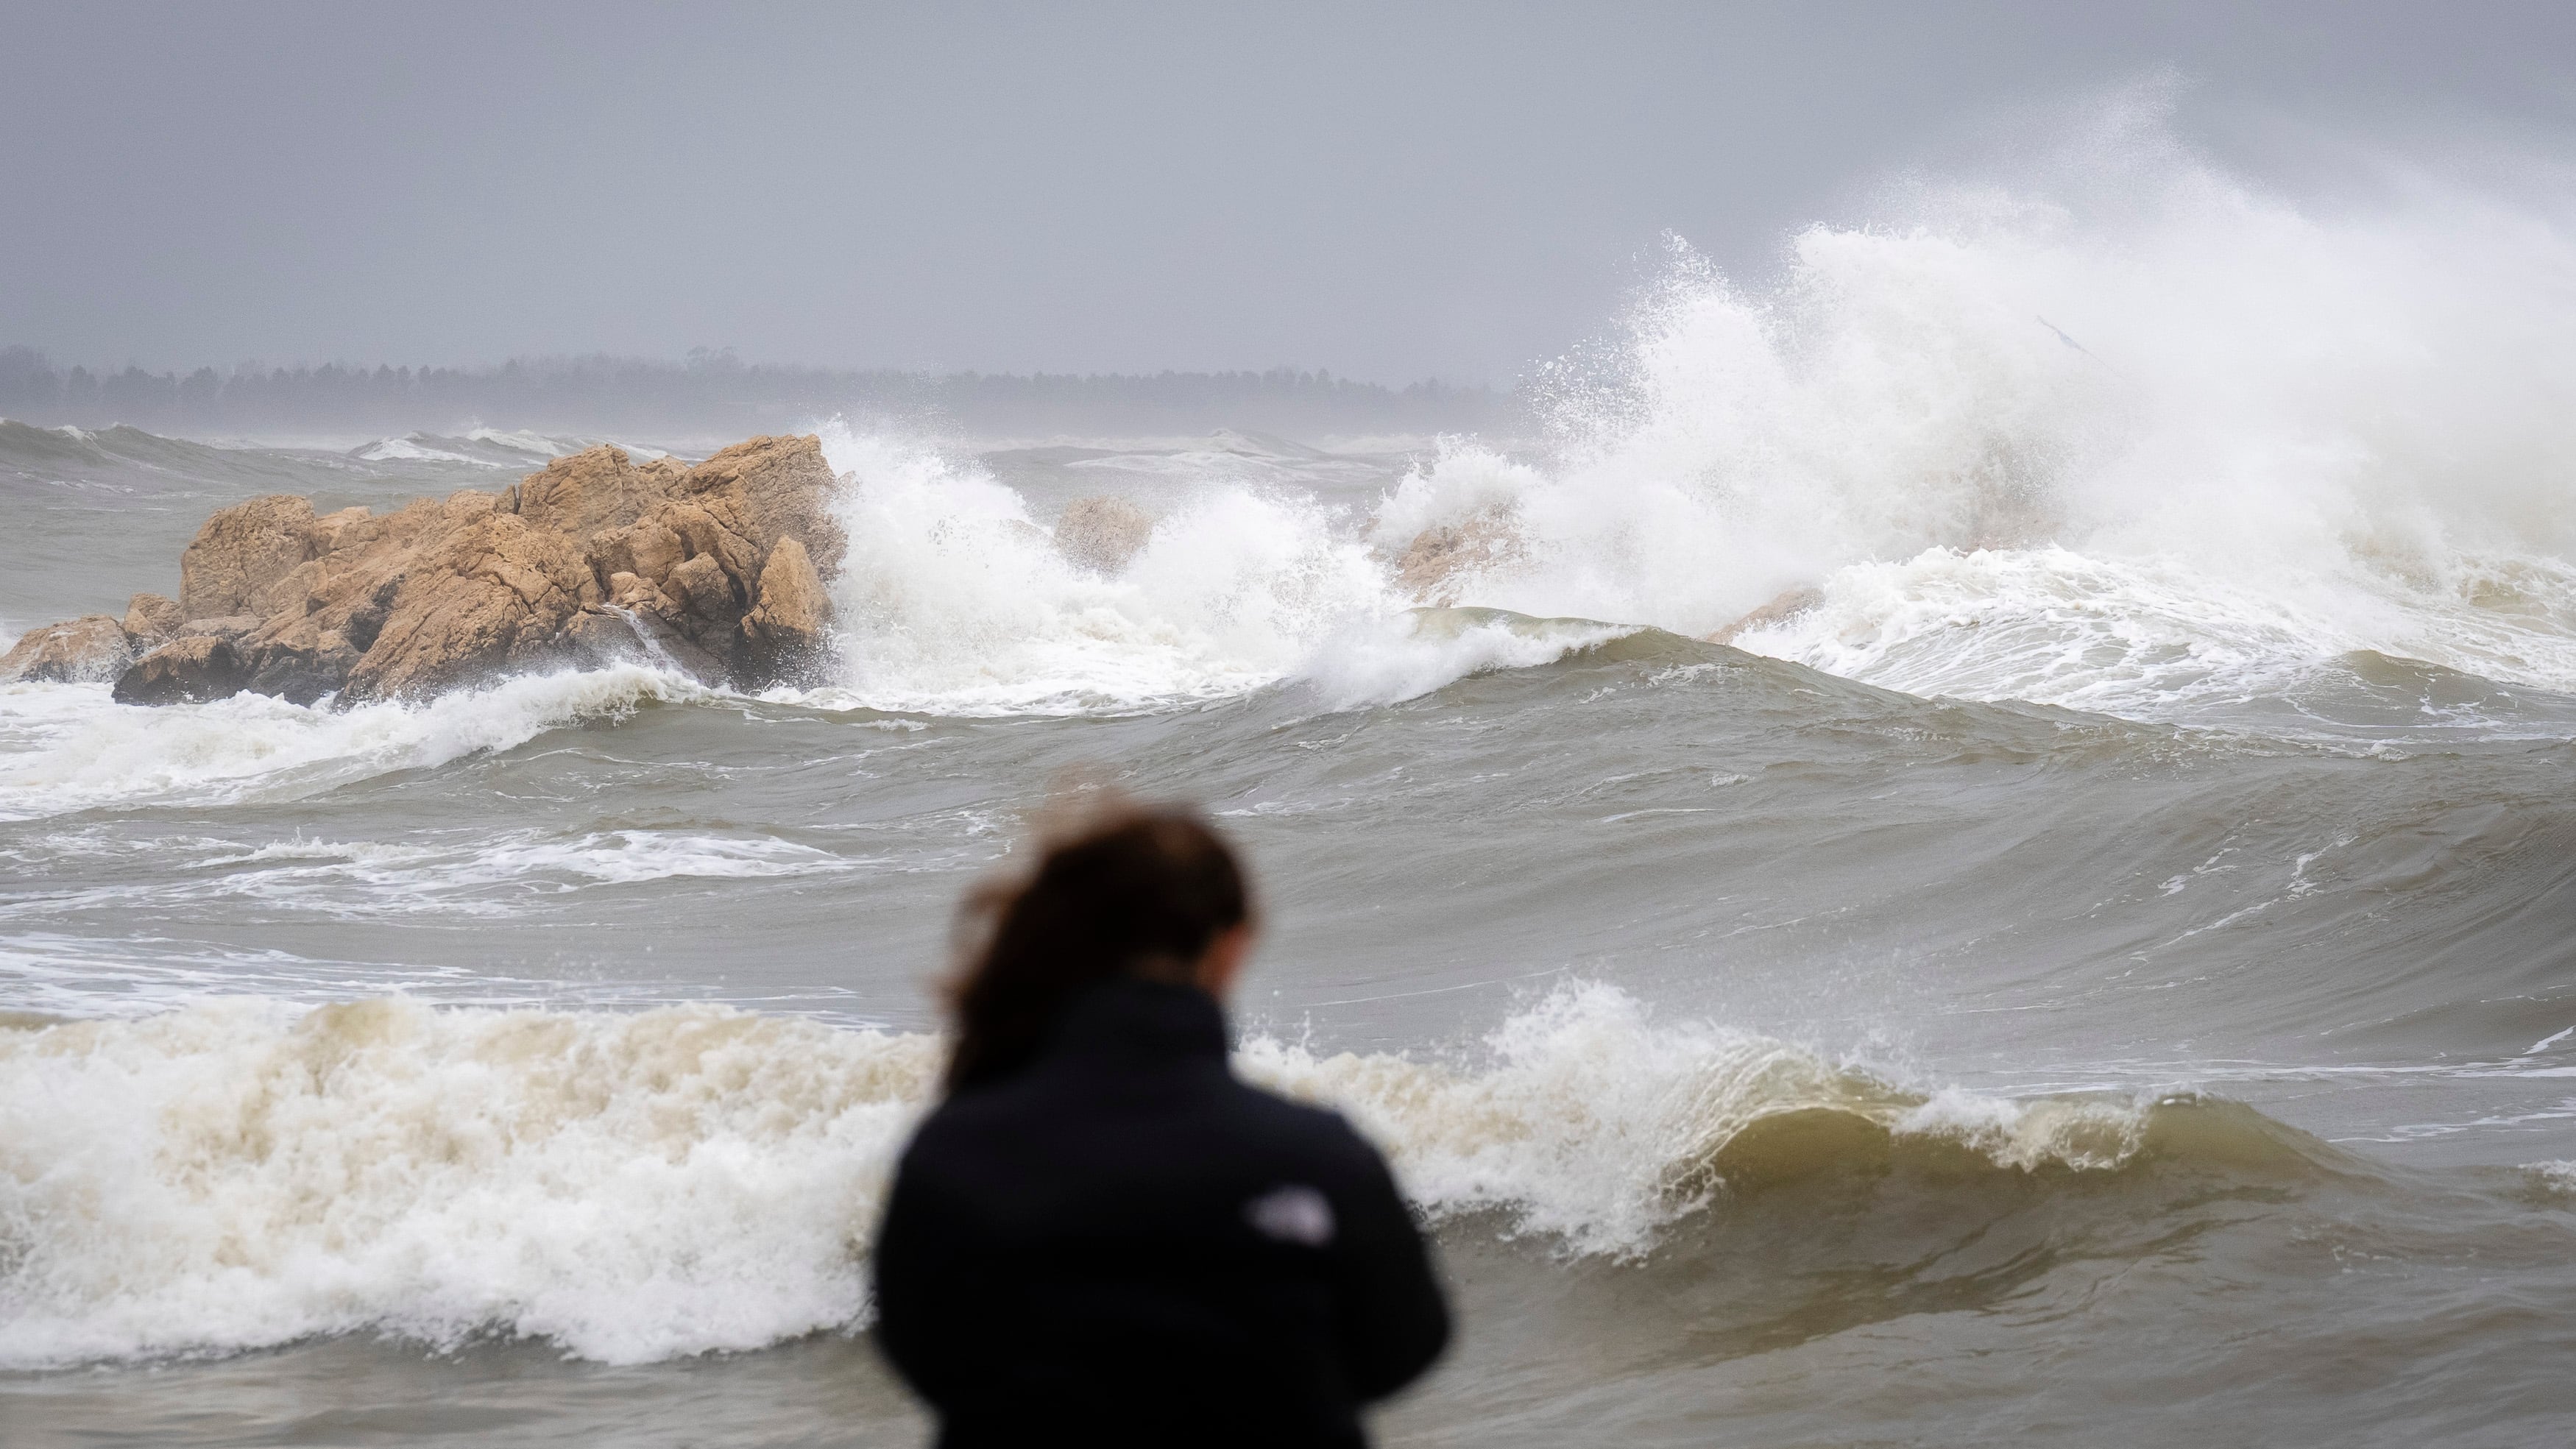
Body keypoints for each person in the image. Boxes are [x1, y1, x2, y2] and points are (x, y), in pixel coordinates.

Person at [871, 801, 1450, 1448]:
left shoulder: (957, 1155)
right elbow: (1405, 1348)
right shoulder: (1315, 1160)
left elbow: (923, 1353)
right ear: (1231, 948)